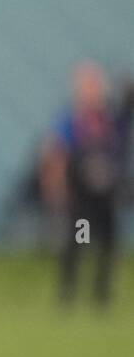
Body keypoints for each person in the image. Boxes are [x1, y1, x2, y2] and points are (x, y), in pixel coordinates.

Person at [40, 62, 131, 308]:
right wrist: (56, 187)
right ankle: (68, 292)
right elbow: (56, 152)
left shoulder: (113, 119)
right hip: (82, 199)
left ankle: (101, 294)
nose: (92, 92)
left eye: (95, 86)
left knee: (108, 245)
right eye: (86, 87)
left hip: (106, 197)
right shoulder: (72, 119)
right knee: (79, 241)